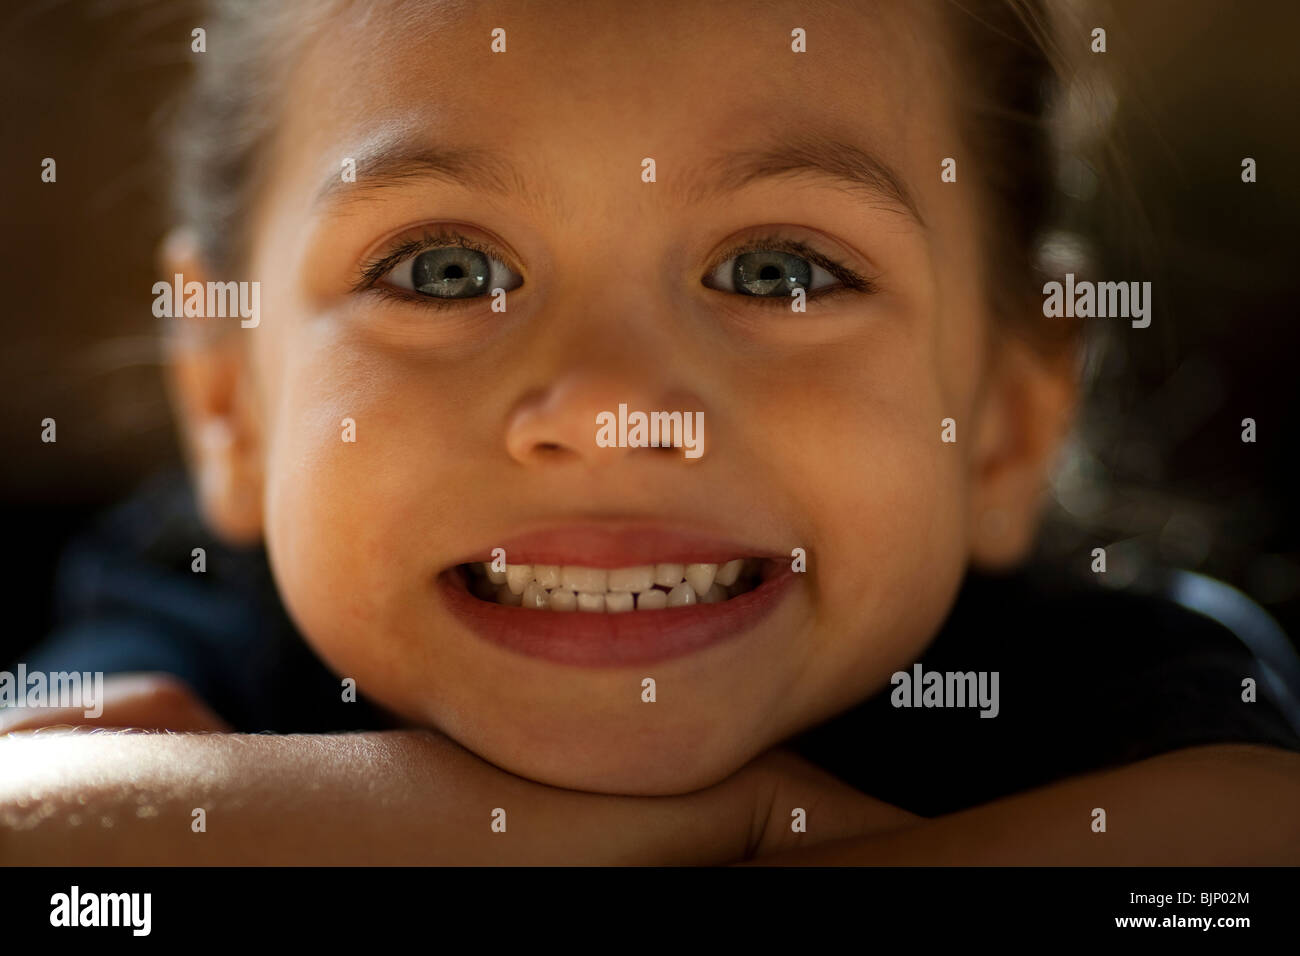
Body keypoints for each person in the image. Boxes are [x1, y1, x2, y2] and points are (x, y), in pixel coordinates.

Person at [4, 0, 1299, 864]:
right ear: (229, 401)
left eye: (781, 272)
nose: (614, 412)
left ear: (1009, 424)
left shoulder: (1100, 674)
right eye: (445, 270)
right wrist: (741, 827)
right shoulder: (195, 610)